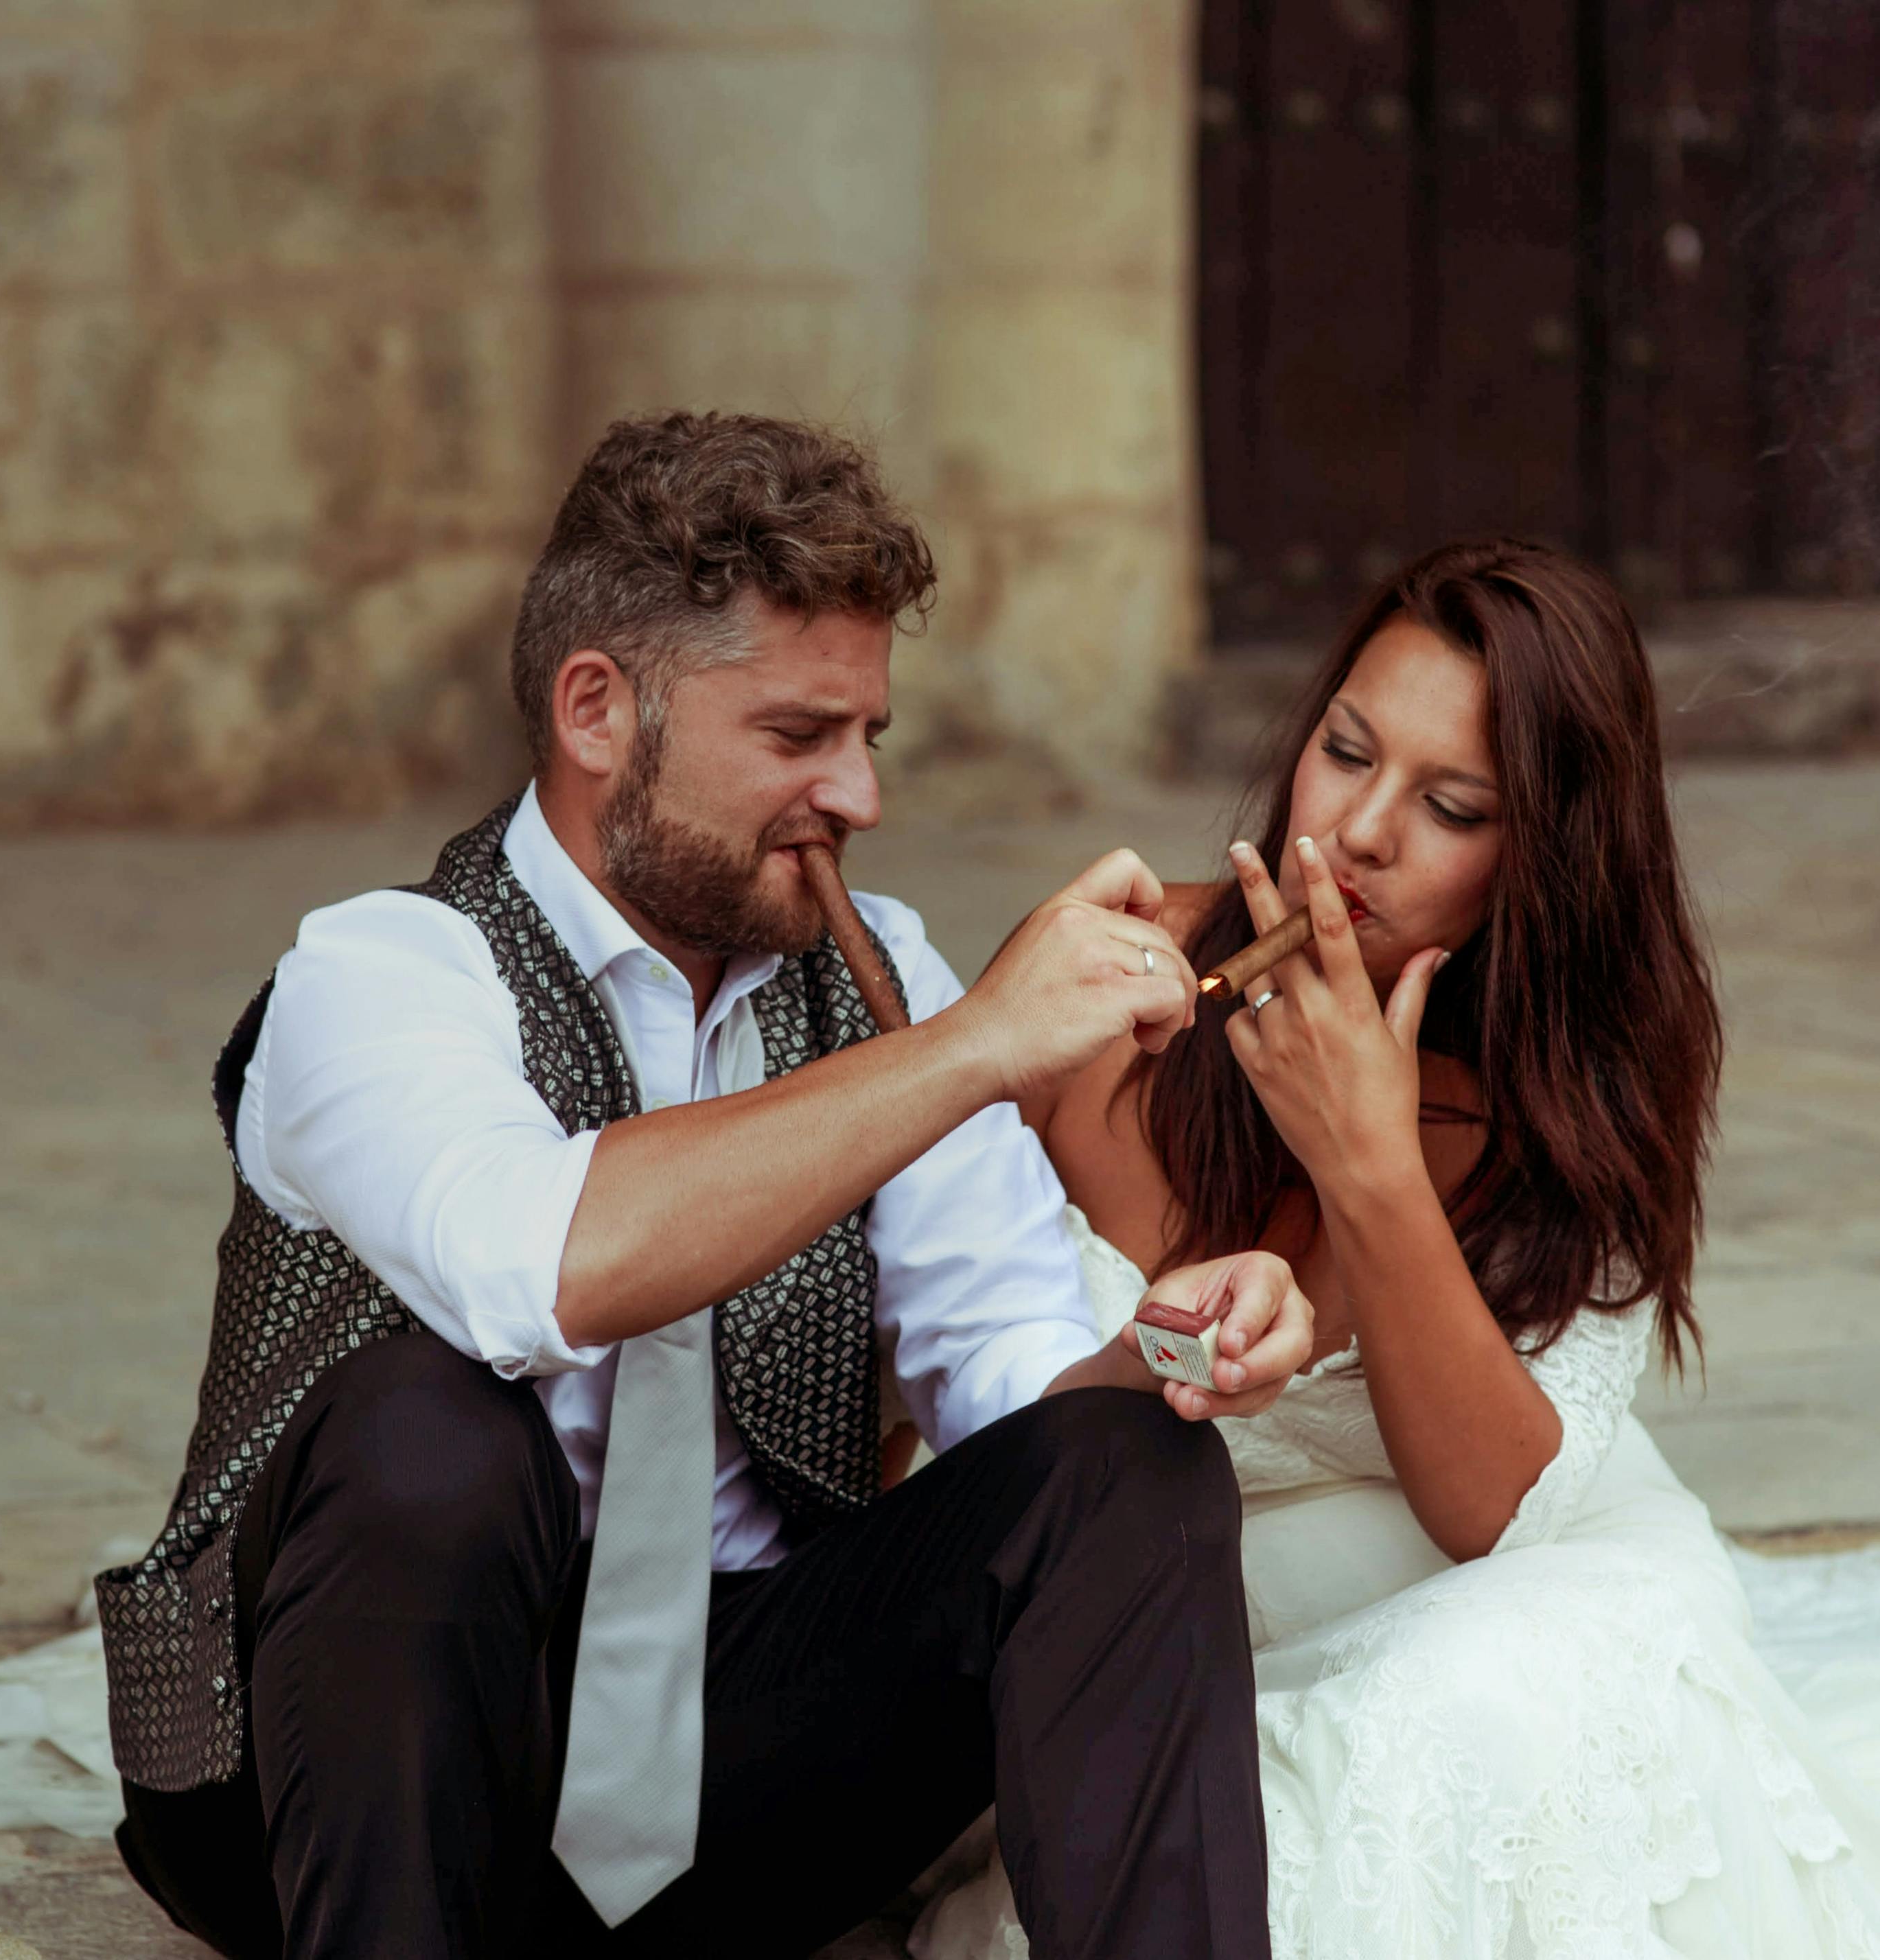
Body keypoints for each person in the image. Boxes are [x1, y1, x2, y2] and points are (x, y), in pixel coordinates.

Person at [910, 538, 1880, 1959]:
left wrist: (1369, 1164)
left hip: (1489, 1566)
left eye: (1450, 805)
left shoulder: (1563, 1092)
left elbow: (1493, 1518)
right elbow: (933, 1386)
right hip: (1150, 1607)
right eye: (1344, 751)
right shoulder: (1111, 983)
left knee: (1507, 1705)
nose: (1363, 831)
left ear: (1542, 858)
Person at [95, 410, 1319, 1959]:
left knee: (1127, 1465)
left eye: (870, 736)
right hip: (330, 1793)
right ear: (598, 710)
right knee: (433, 1430)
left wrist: (1168, 1349)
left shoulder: (890, 987)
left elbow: (1010, 1391)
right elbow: (538, 1267)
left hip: (722, 1764)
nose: (858, 796)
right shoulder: (384, 970)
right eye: (799, 737)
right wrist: (971, 1051)